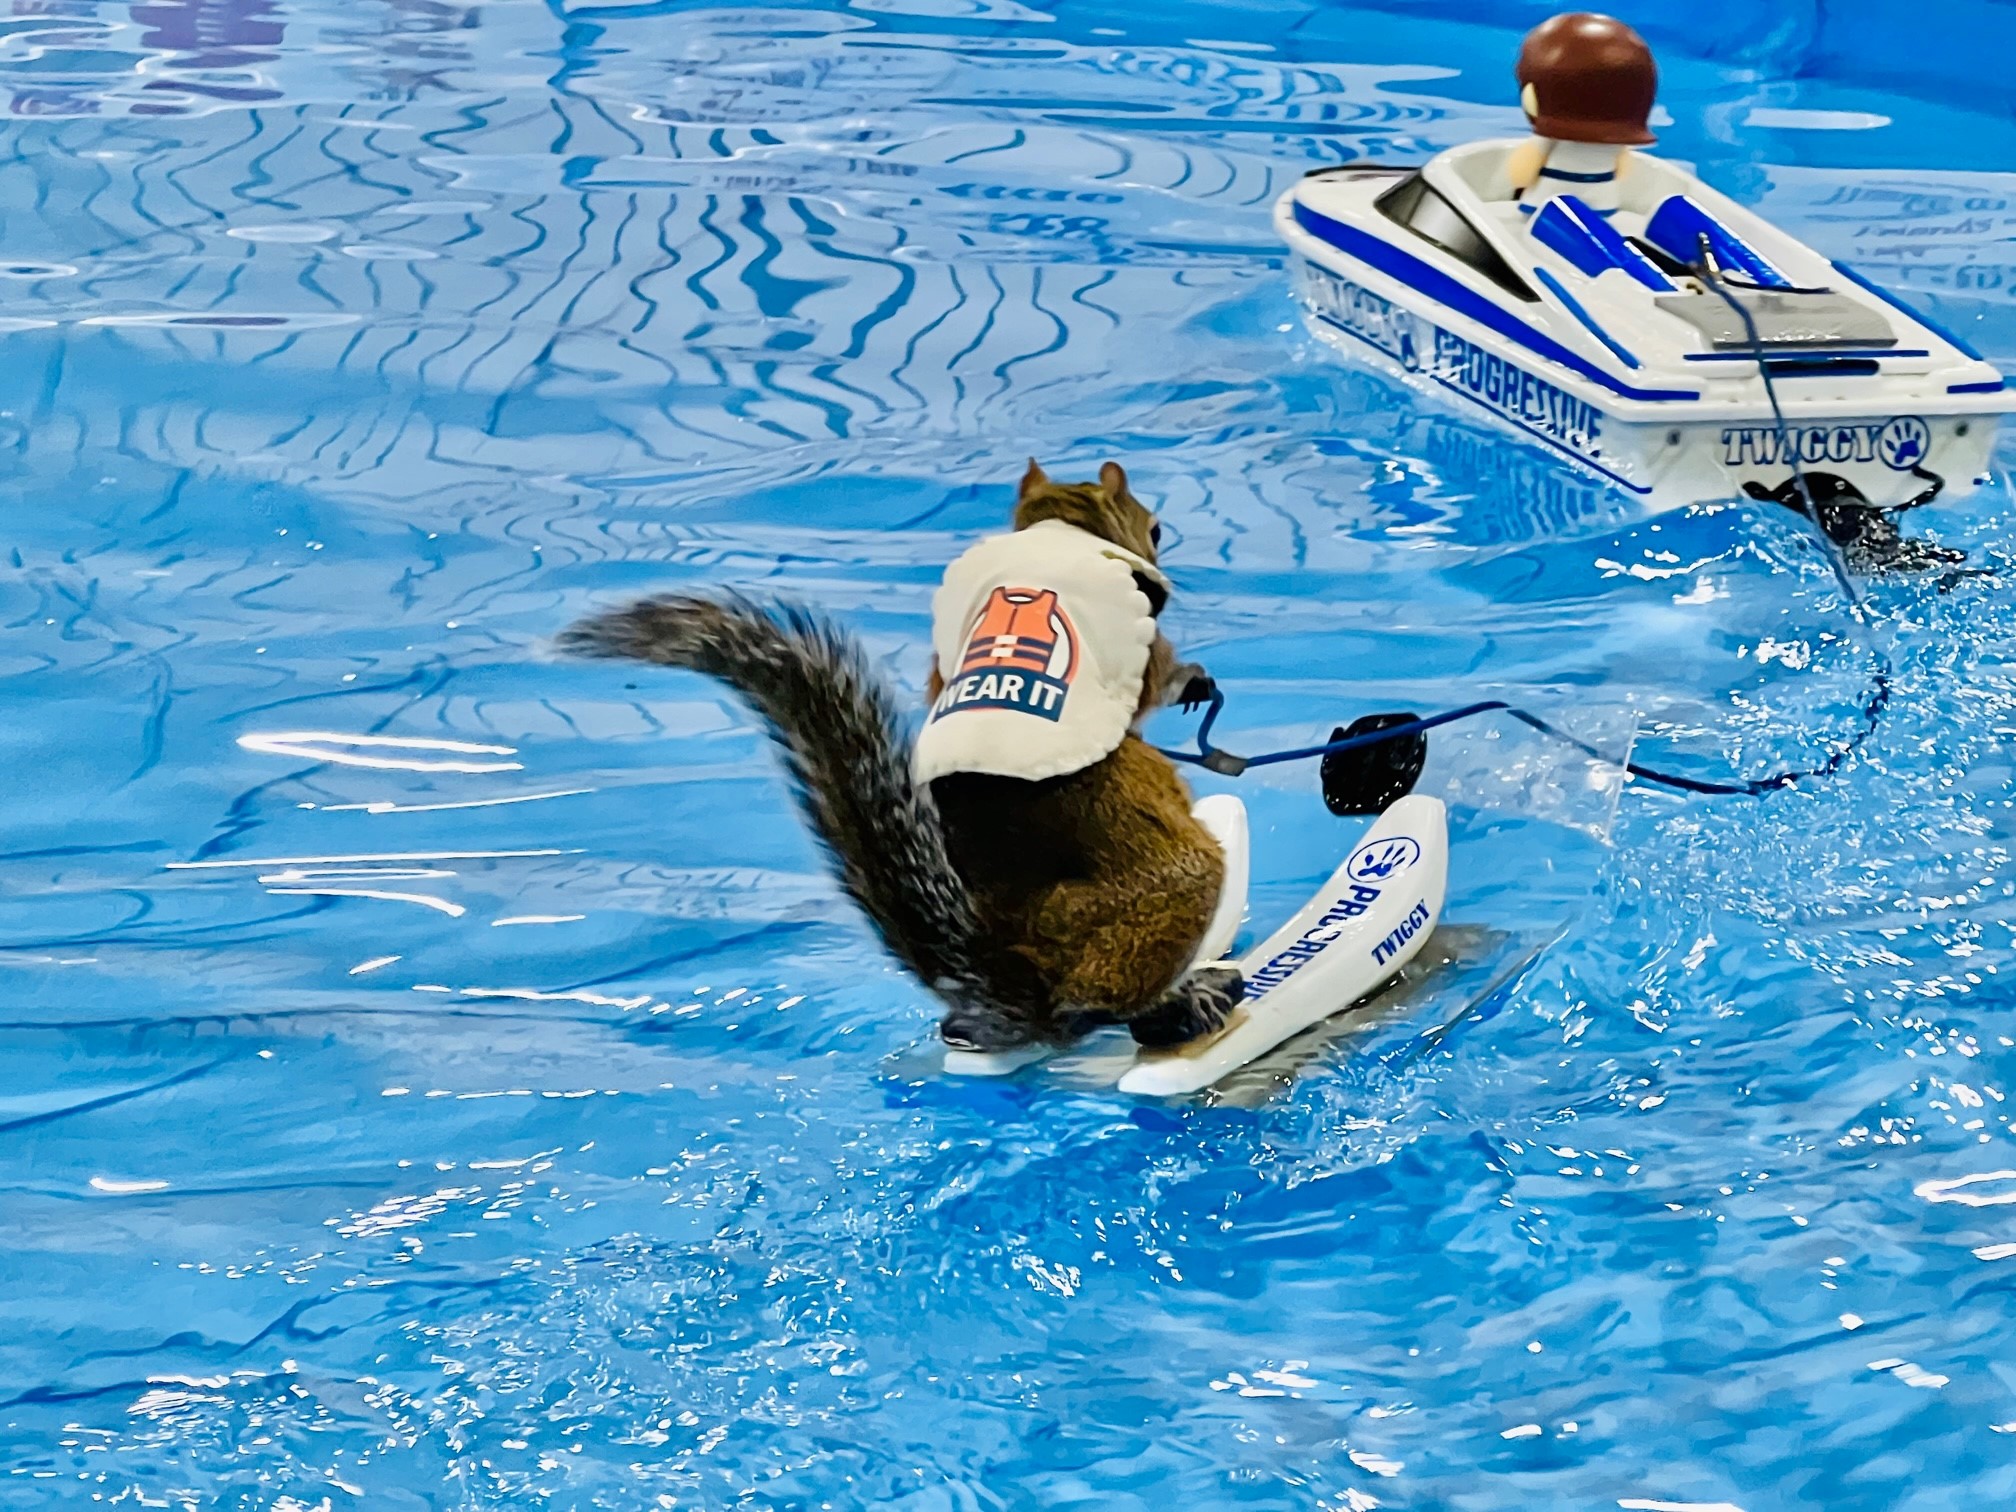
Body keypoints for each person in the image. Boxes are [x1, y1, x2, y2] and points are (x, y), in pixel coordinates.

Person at [1505, 12, 1658, 215]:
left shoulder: (1546, 139)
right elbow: (1622, 169)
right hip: (1603, 197)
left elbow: (1521, 174)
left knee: (1546, 218)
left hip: (1548, 198)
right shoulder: (1617, 142)